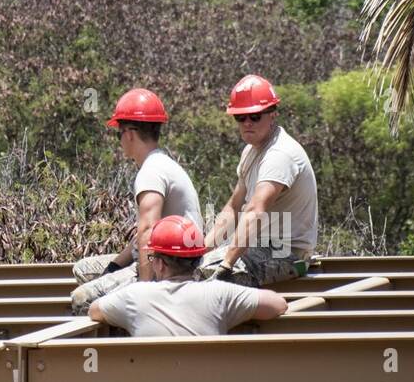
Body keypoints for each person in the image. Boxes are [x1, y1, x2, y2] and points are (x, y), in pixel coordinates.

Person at [70, 87, 201, 314]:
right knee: (83, 269)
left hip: (171, 264)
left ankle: (123, 340)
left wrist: (145, 288)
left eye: (118, 133)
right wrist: (116, 265)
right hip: (172, 256)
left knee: (82, 300)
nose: (119, 139)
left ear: (129, 133)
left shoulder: (151, 172)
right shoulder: (159, 164)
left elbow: (148, 230)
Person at [200, 74, 318, 288]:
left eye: (254, 116)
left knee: (204, 275)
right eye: (240, 117)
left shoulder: (279, 154)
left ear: (272, 115)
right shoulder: (251, 151)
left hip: (288, 255)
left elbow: (255, 210)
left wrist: (226, 265)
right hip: (259, 247)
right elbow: (234, 207)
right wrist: (200, 250)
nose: (247, 123)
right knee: (192, 266)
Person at [89, 215, 288, 336]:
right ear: (198, 260)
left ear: (158, 263)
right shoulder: (221, 293)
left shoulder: (133, 296)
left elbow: (94, 310)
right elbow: (278, 304)